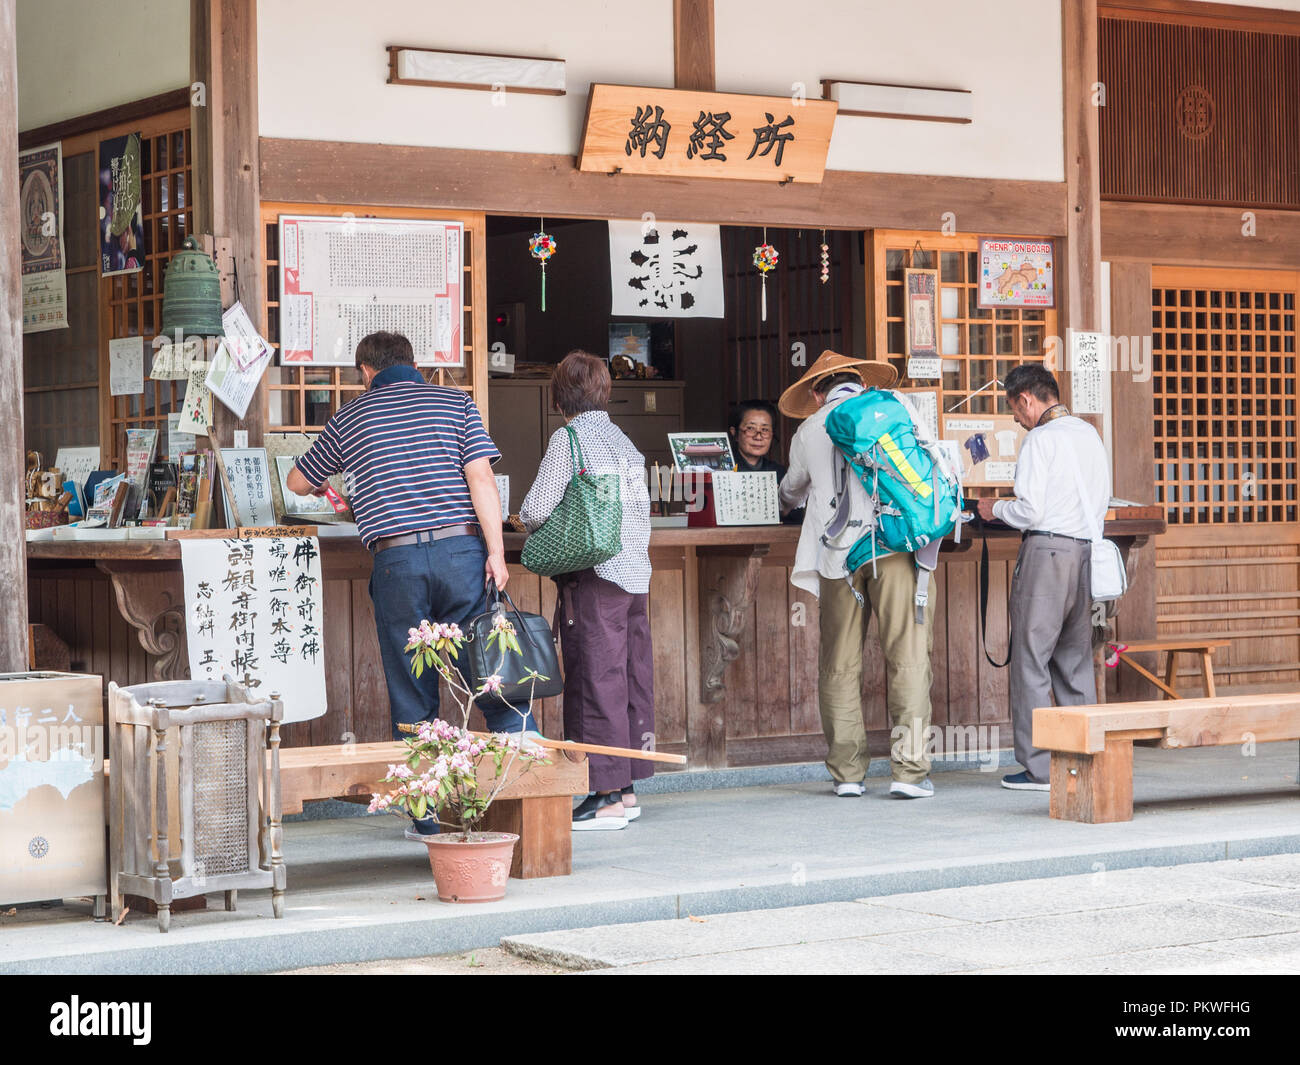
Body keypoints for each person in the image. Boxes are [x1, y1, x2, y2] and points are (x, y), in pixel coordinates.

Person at [287, 331, 530, 840]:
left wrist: (340, 488)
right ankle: (525, 792)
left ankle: (430, 817)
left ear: (365, 372)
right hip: (461, 553)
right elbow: (481, 479)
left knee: (411, 682)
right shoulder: (456, 402)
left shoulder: (352, 416)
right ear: (414, 364)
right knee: (487, 669)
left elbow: (297, 482)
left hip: (396, 561)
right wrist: (495, 551)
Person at [778, 350, 937, 800]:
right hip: (896, 548)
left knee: (839, 664)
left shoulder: (809, 428)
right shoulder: (897, 406)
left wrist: (781, 500)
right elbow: (933, 463)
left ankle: (848, 773)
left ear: (815, 393)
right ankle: (909, 773)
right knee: (907, 658)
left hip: (838, 559)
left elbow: (792, 489)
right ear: (860, 383)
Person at [521, 351, 653, 831]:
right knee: (628, 677)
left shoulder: (569, 439)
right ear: (604, 391)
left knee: (594, 678)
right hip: (635, 575)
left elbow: (536, 509)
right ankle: (628, 785)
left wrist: (525, 525)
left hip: (595, 577)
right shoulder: (623, 440)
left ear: (559, 397)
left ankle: (604, 795)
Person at [975, 363, 1110, 791]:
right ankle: (1084, 758)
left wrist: (992, 508)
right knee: (1074, 662)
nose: (1016, 419)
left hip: (1047, 554)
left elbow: (1029, 510)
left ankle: (1037, 768)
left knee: (1032, 660)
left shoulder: (1040, 439)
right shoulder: (1088, 433)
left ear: (1026, 399)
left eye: (1016, 409)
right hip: (1086, 554)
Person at [728, 398, 802, 524]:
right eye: (750, 428)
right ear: (735, 433)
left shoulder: (779, 472)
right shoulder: (724, 471)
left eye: (765, 430)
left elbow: (795, 518)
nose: (758, 436)